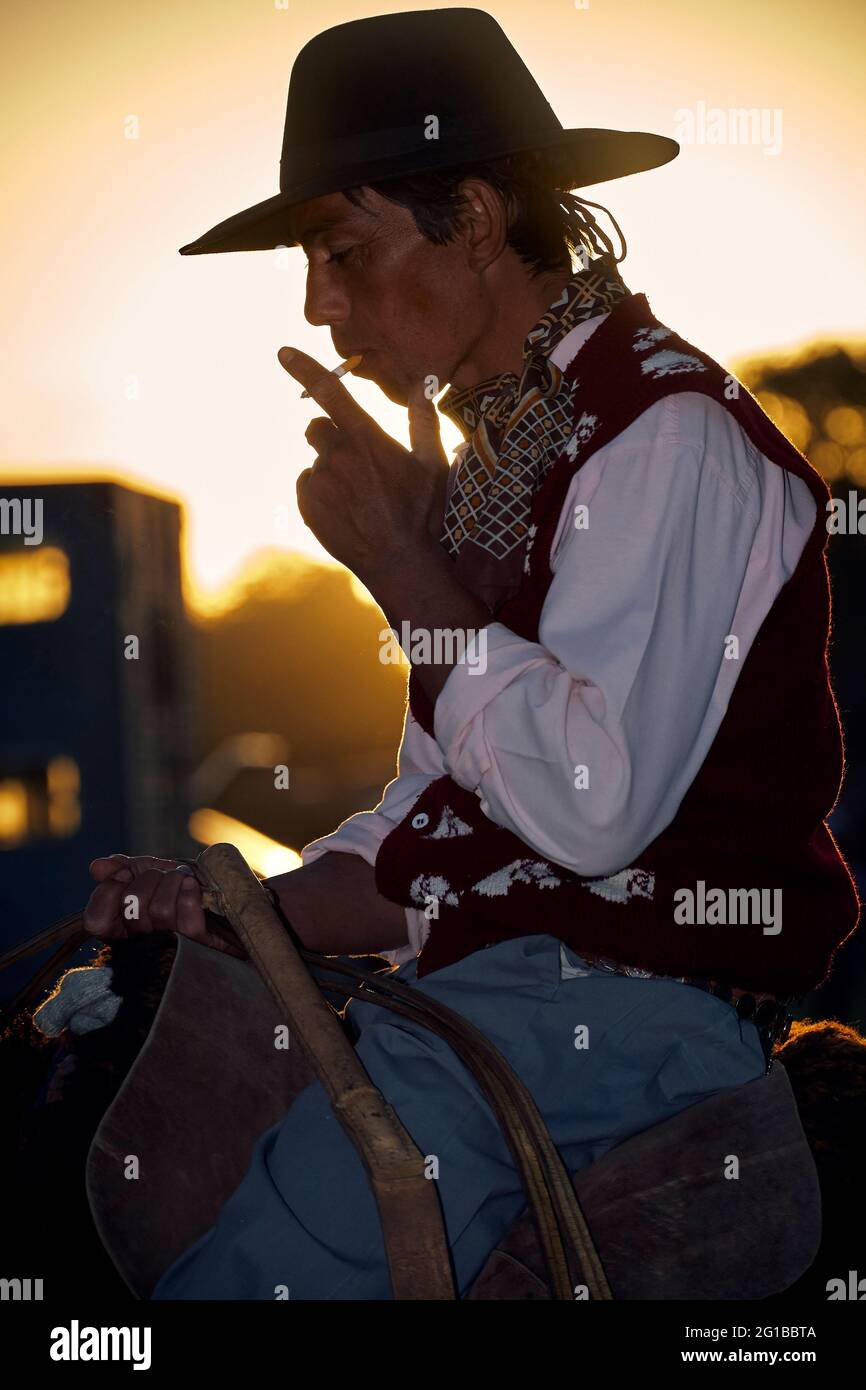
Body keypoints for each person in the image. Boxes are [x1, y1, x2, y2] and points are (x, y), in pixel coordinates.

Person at [84, 9, 859, 1299]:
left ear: (481, 219)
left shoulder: (664, 436)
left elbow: (591, 811)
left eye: (342, 249)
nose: (321, 303)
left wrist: (400, 565)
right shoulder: (510, 462)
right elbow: (443, 821)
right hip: (511, 990)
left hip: (623, 1016)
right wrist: (234, 906)